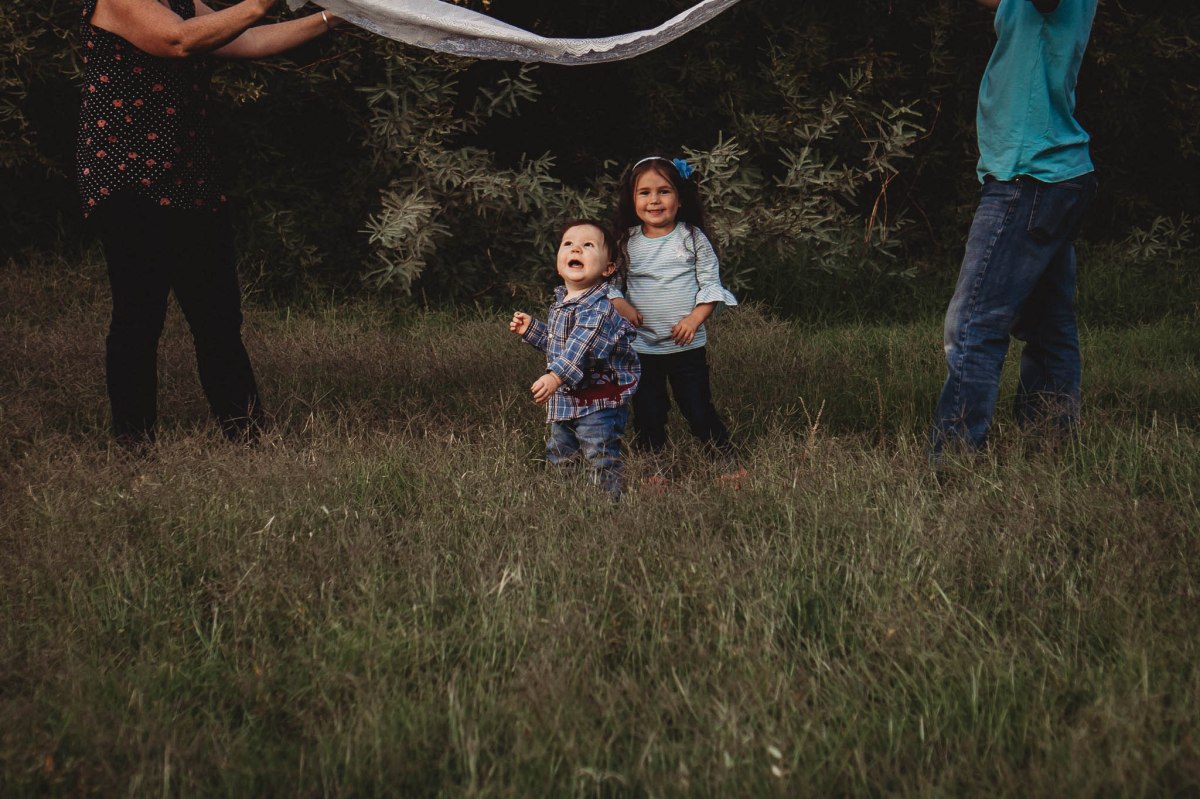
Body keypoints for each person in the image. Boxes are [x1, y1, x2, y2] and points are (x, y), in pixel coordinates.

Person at [76, 0, 342, 449]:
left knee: (217, 316)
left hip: (189, 177)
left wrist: (336, 16)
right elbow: (179, 40)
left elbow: (252, 39)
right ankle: (134, 447)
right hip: (129, 178)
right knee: (139, 318)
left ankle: (248, 438)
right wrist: (260, 2)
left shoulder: (179, 1)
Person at [931, 0, 1099, 456]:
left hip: (1029, 179)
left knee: (972, 324)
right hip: (1053, 174)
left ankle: (955, 459)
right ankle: (1049, 446)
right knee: (1048, 325)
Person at [608, 155, 742, 477]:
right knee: (649, 413)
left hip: (686, 347)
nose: (654, 200)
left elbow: (711, 287)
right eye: (645, 192)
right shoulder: (626, 242)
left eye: (664, 191)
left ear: (680, 199)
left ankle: (724, 462)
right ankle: (654, 469)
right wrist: (622, 305)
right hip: (641, 348)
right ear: (632, 199)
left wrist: (694, 320)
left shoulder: (693, 239)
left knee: (697, 408)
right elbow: (608, 285)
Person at [509, 221, 641, 499]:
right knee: (560, 451)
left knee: (598, 451)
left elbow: (579, 350)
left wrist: (555, 377)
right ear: (559, 263)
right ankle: (563, 499)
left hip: (598, 401)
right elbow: (562, 346)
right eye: (568, 244)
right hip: (567, 398)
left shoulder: (600, 308)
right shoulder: (562, 303)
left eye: (588, 245)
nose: (576, 248)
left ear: (608, 268)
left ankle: (608, 503)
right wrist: (533, 330)